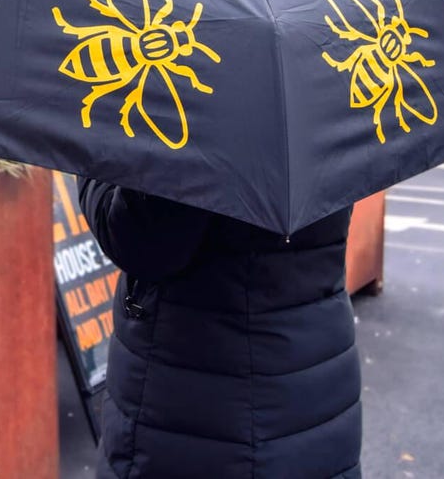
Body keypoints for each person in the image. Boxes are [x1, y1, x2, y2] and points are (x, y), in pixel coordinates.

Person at [79, 177, 362, 479]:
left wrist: (89, 164)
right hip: (316, 373)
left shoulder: (199, 128)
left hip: (198, 397)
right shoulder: (320, 128)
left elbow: (142, 241)